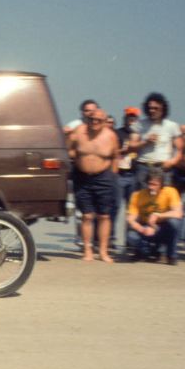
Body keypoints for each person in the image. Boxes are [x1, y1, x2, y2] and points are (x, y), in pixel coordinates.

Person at [67, 108, 119, 263]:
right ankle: (88, 250)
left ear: (104, 122)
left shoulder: (110, 136)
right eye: (92, 119)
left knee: (104, 215)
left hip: (103, 177)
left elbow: (116, 157)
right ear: (87, 119)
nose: (94, 122)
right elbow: (68, 149)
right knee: (87, 215)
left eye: (99, 120)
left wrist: (113, 176)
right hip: (82, 177)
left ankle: (103, 251)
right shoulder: (79, 131)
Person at [126, 169, 183, 265]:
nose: (151, 187)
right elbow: (130, 219)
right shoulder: (137, 195)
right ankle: (145, 252)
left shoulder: (170, 191)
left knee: (175, 222)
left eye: (154, 184)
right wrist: (141, 229)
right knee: (131, 236)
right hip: (145, 227)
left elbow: (178, 213)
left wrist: (159, 215)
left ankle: (171, 255)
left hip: (163, 227)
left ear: (161, 184)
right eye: (149, 183)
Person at [131, 92, 182, 188]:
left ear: (163, 108)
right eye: (150, 108)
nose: (152, 111)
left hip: (162, 167)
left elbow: (180, 149)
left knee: (164, 198)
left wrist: (172, 161)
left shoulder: (172, 126)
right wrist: (145, 142)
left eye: (156, 108)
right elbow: (131, 146)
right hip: (143, 166)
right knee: (142, 198)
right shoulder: (139, 125)